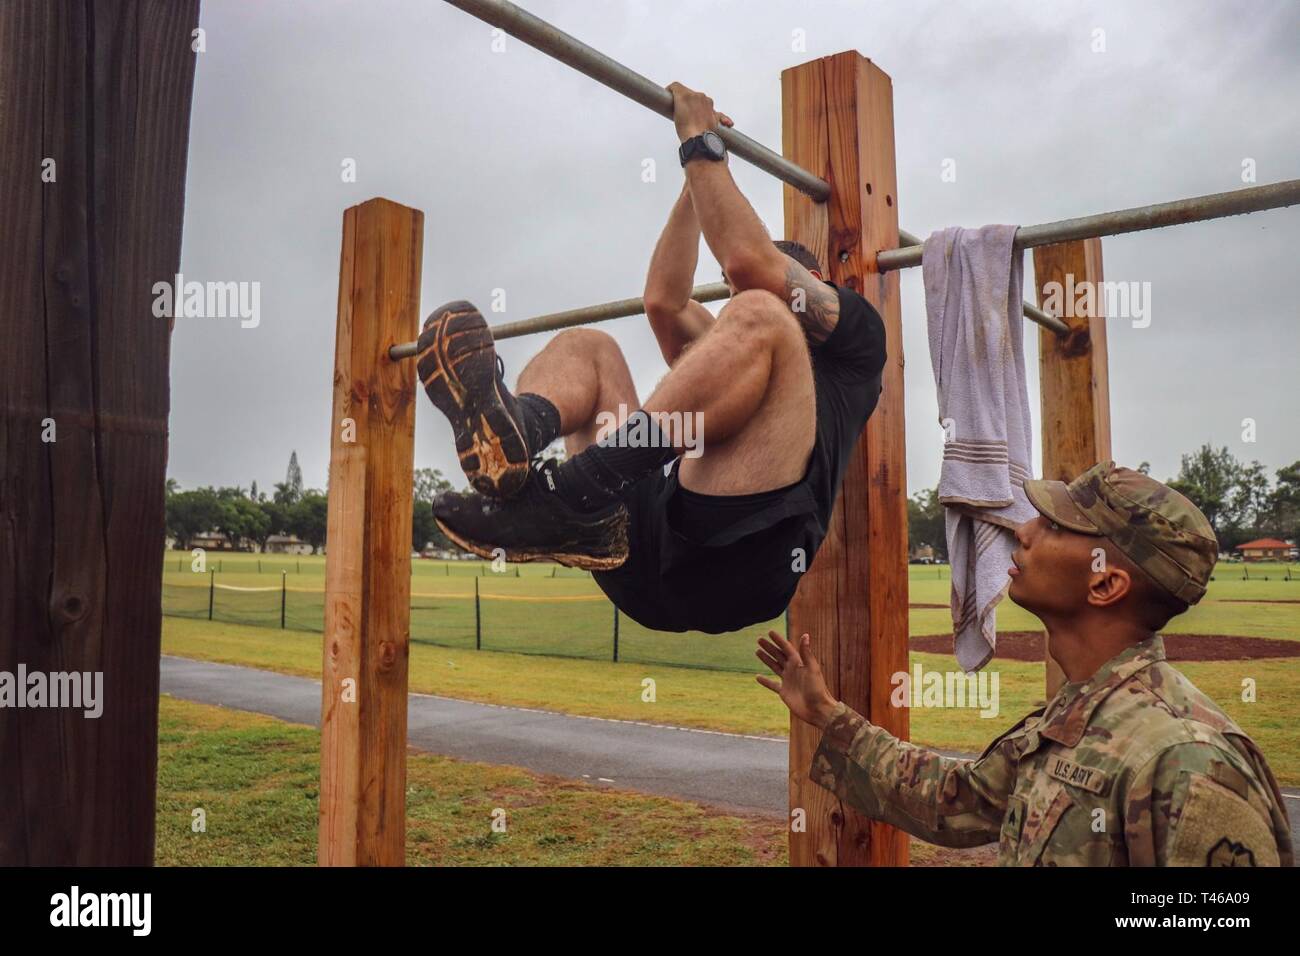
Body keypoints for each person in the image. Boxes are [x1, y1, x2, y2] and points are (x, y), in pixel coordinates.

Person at [419, 83, 886, 634]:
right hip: (633, 550)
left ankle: (567, 495)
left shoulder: (856, 340)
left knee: (760, 313)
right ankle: (523, 433)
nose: (733, 303)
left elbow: (754, 271)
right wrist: (698, 185)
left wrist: (698, 139)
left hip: (742, 561)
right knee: (591, 348)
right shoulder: (737, 353)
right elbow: (664, 301)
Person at [757, 462, 1293, 866]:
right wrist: (826, 713)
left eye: (1057, 526)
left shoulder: (1188, 760)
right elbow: (954, 801)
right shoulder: (1074, 721)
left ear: (1106, 582)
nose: (1025, 531)